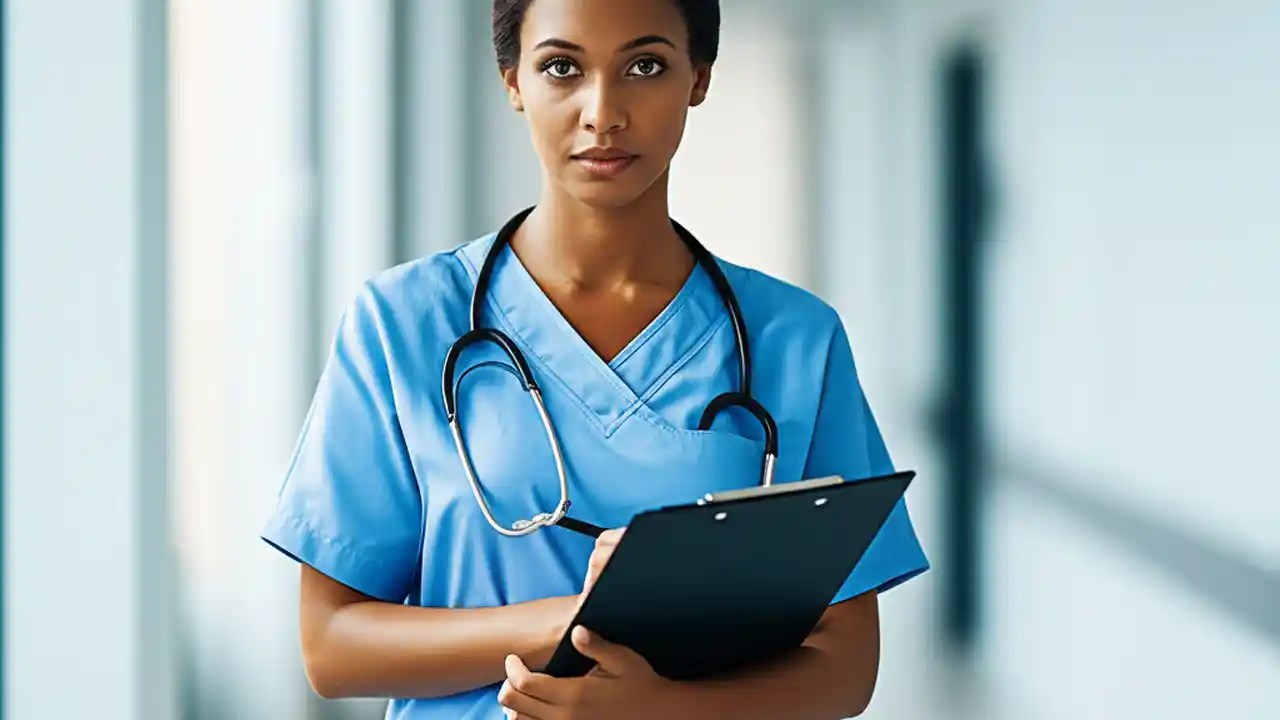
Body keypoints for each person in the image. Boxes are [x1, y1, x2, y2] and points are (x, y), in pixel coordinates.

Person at [261, 0, 929, 717]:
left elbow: (847, 664)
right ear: (513, 80)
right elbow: (332, 645)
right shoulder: (401, 324)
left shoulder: (796, 339)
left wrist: (652, 708)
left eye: (645, 66)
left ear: (698, 77)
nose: (603, 112)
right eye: (562, 68)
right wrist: (573, 622)